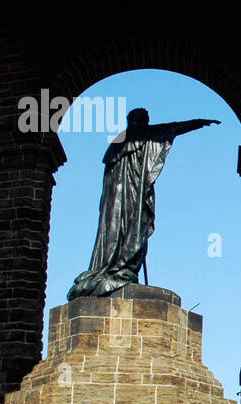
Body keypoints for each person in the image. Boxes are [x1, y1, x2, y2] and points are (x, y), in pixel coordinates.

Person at [67, 108, 219, 299]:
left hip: (134, 195)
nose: (140, 123)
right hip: (119, 198)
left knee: (137, 228)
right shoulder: (121, 143)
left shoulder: (140, 136)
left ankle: (125, 268)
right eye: (137, 120)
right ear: (131, 121)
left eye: (143, 120)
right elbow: (170, 128)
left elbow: (173, 128)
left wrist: (197, 122)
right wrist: (198, 121)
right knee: (121, 232)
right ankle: (116, 268)